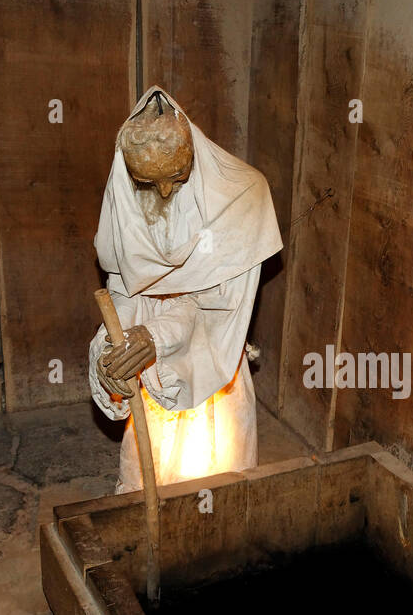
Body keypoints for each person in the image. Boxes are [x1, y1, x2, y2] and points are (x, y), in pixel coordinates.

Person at [88, 86, 281, 493]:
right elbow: (123, 295)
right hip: (151, 370)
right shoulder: (123, 199)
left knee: (220, 480)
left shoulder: (241, 199)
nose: (162, 193)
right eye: (145, 181)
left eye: (177, 176)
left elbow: (215, 310)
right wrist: (111, 352)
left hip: (211, 361)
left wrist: (155, 336)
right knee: (152, 481)